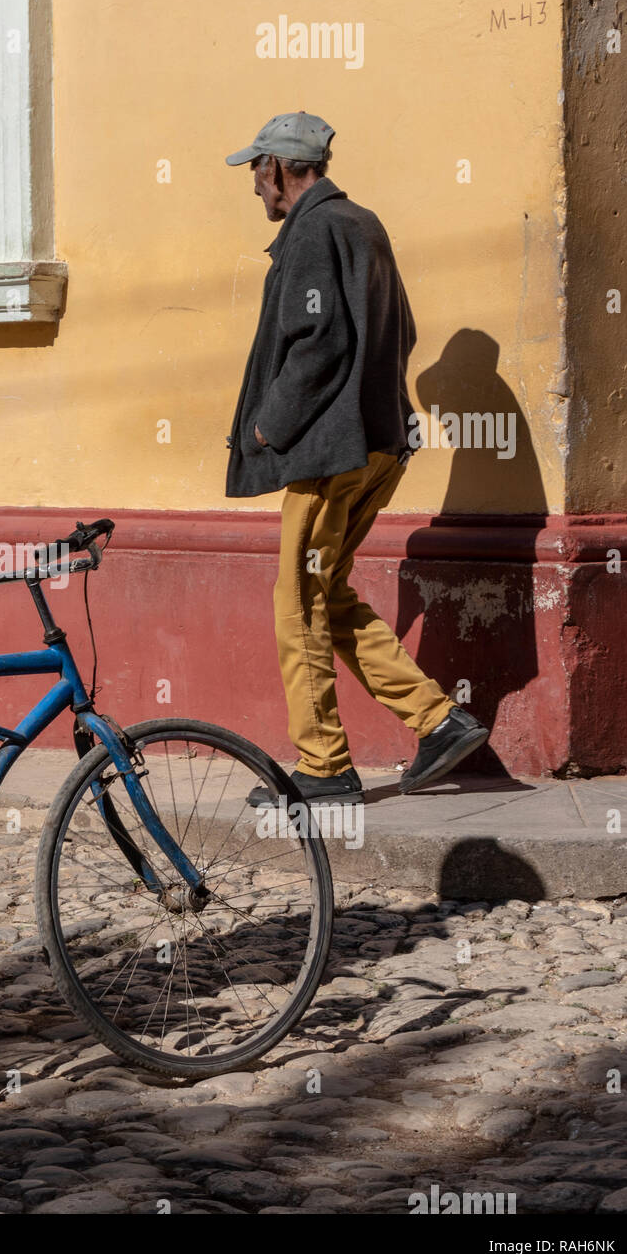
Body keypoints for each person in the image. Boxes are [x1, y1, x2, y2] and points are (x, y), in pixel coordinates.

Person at [223, 111, 488, 805]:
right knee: (329, 593)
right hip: (375, 446)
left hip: (326, 452)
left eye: (257, 170)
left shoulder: (313, 229)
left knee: (299, 604)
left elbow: (319, 342)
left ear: (279, 167)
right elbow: (401, 331)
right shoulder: (363, 223)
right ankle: (439, 721)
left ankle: (324, 767)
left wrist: (267, 427)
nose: (254, 185)